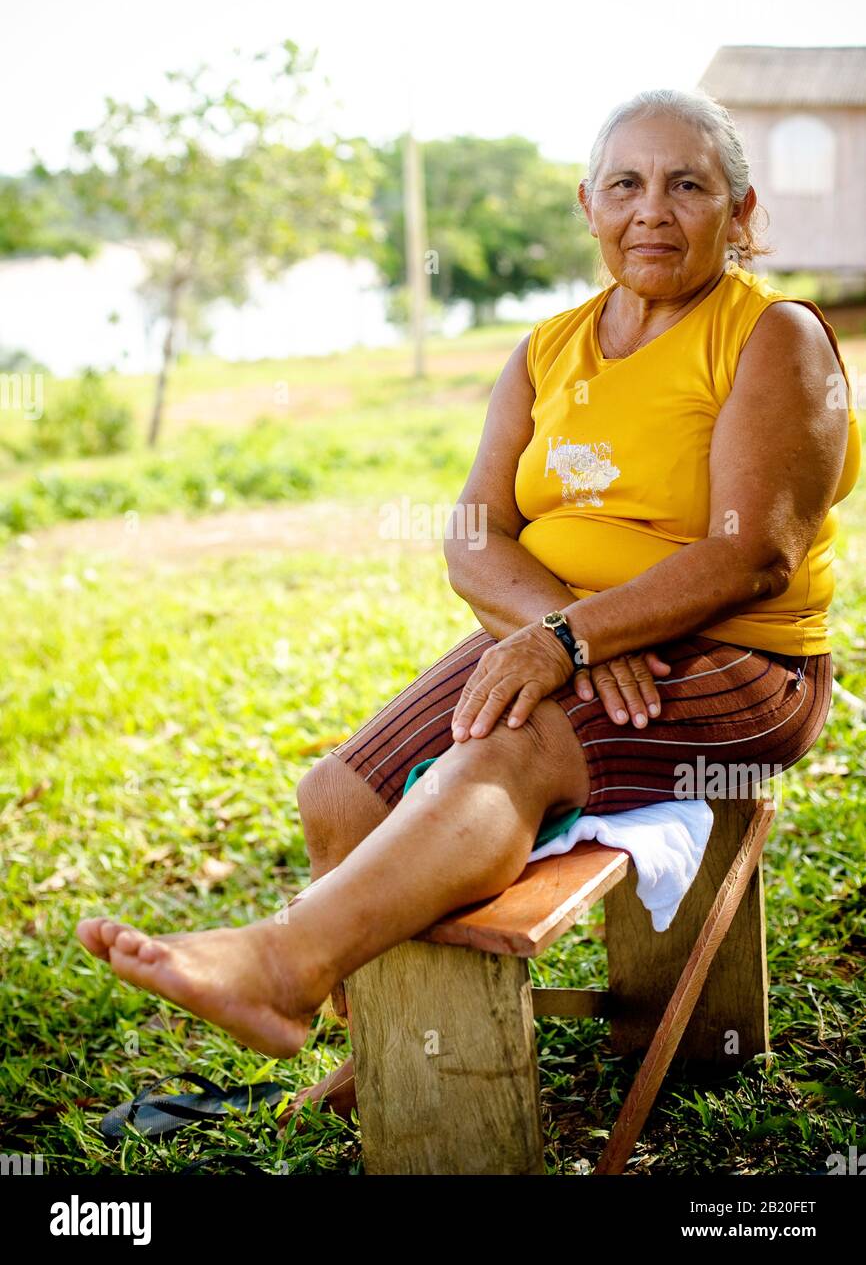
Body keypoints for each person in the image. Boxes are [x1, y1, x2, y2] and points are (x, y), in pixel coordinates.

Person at [76, 88, 861, 1130]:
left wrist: (578, 638)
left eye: (686, 185)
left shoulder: (771, 336)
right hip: (563, 637)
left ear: (740, 213)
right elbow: (472, 534)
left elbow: (753, 553)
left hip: (737, 659)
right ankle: (390, 1055)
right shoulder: (544, 350)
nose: (652, 211)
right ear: (587, 205)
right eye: (625, 184)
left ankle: (278, 964)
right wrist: (559, 635)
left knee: (506, 755)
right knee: (339, 798)